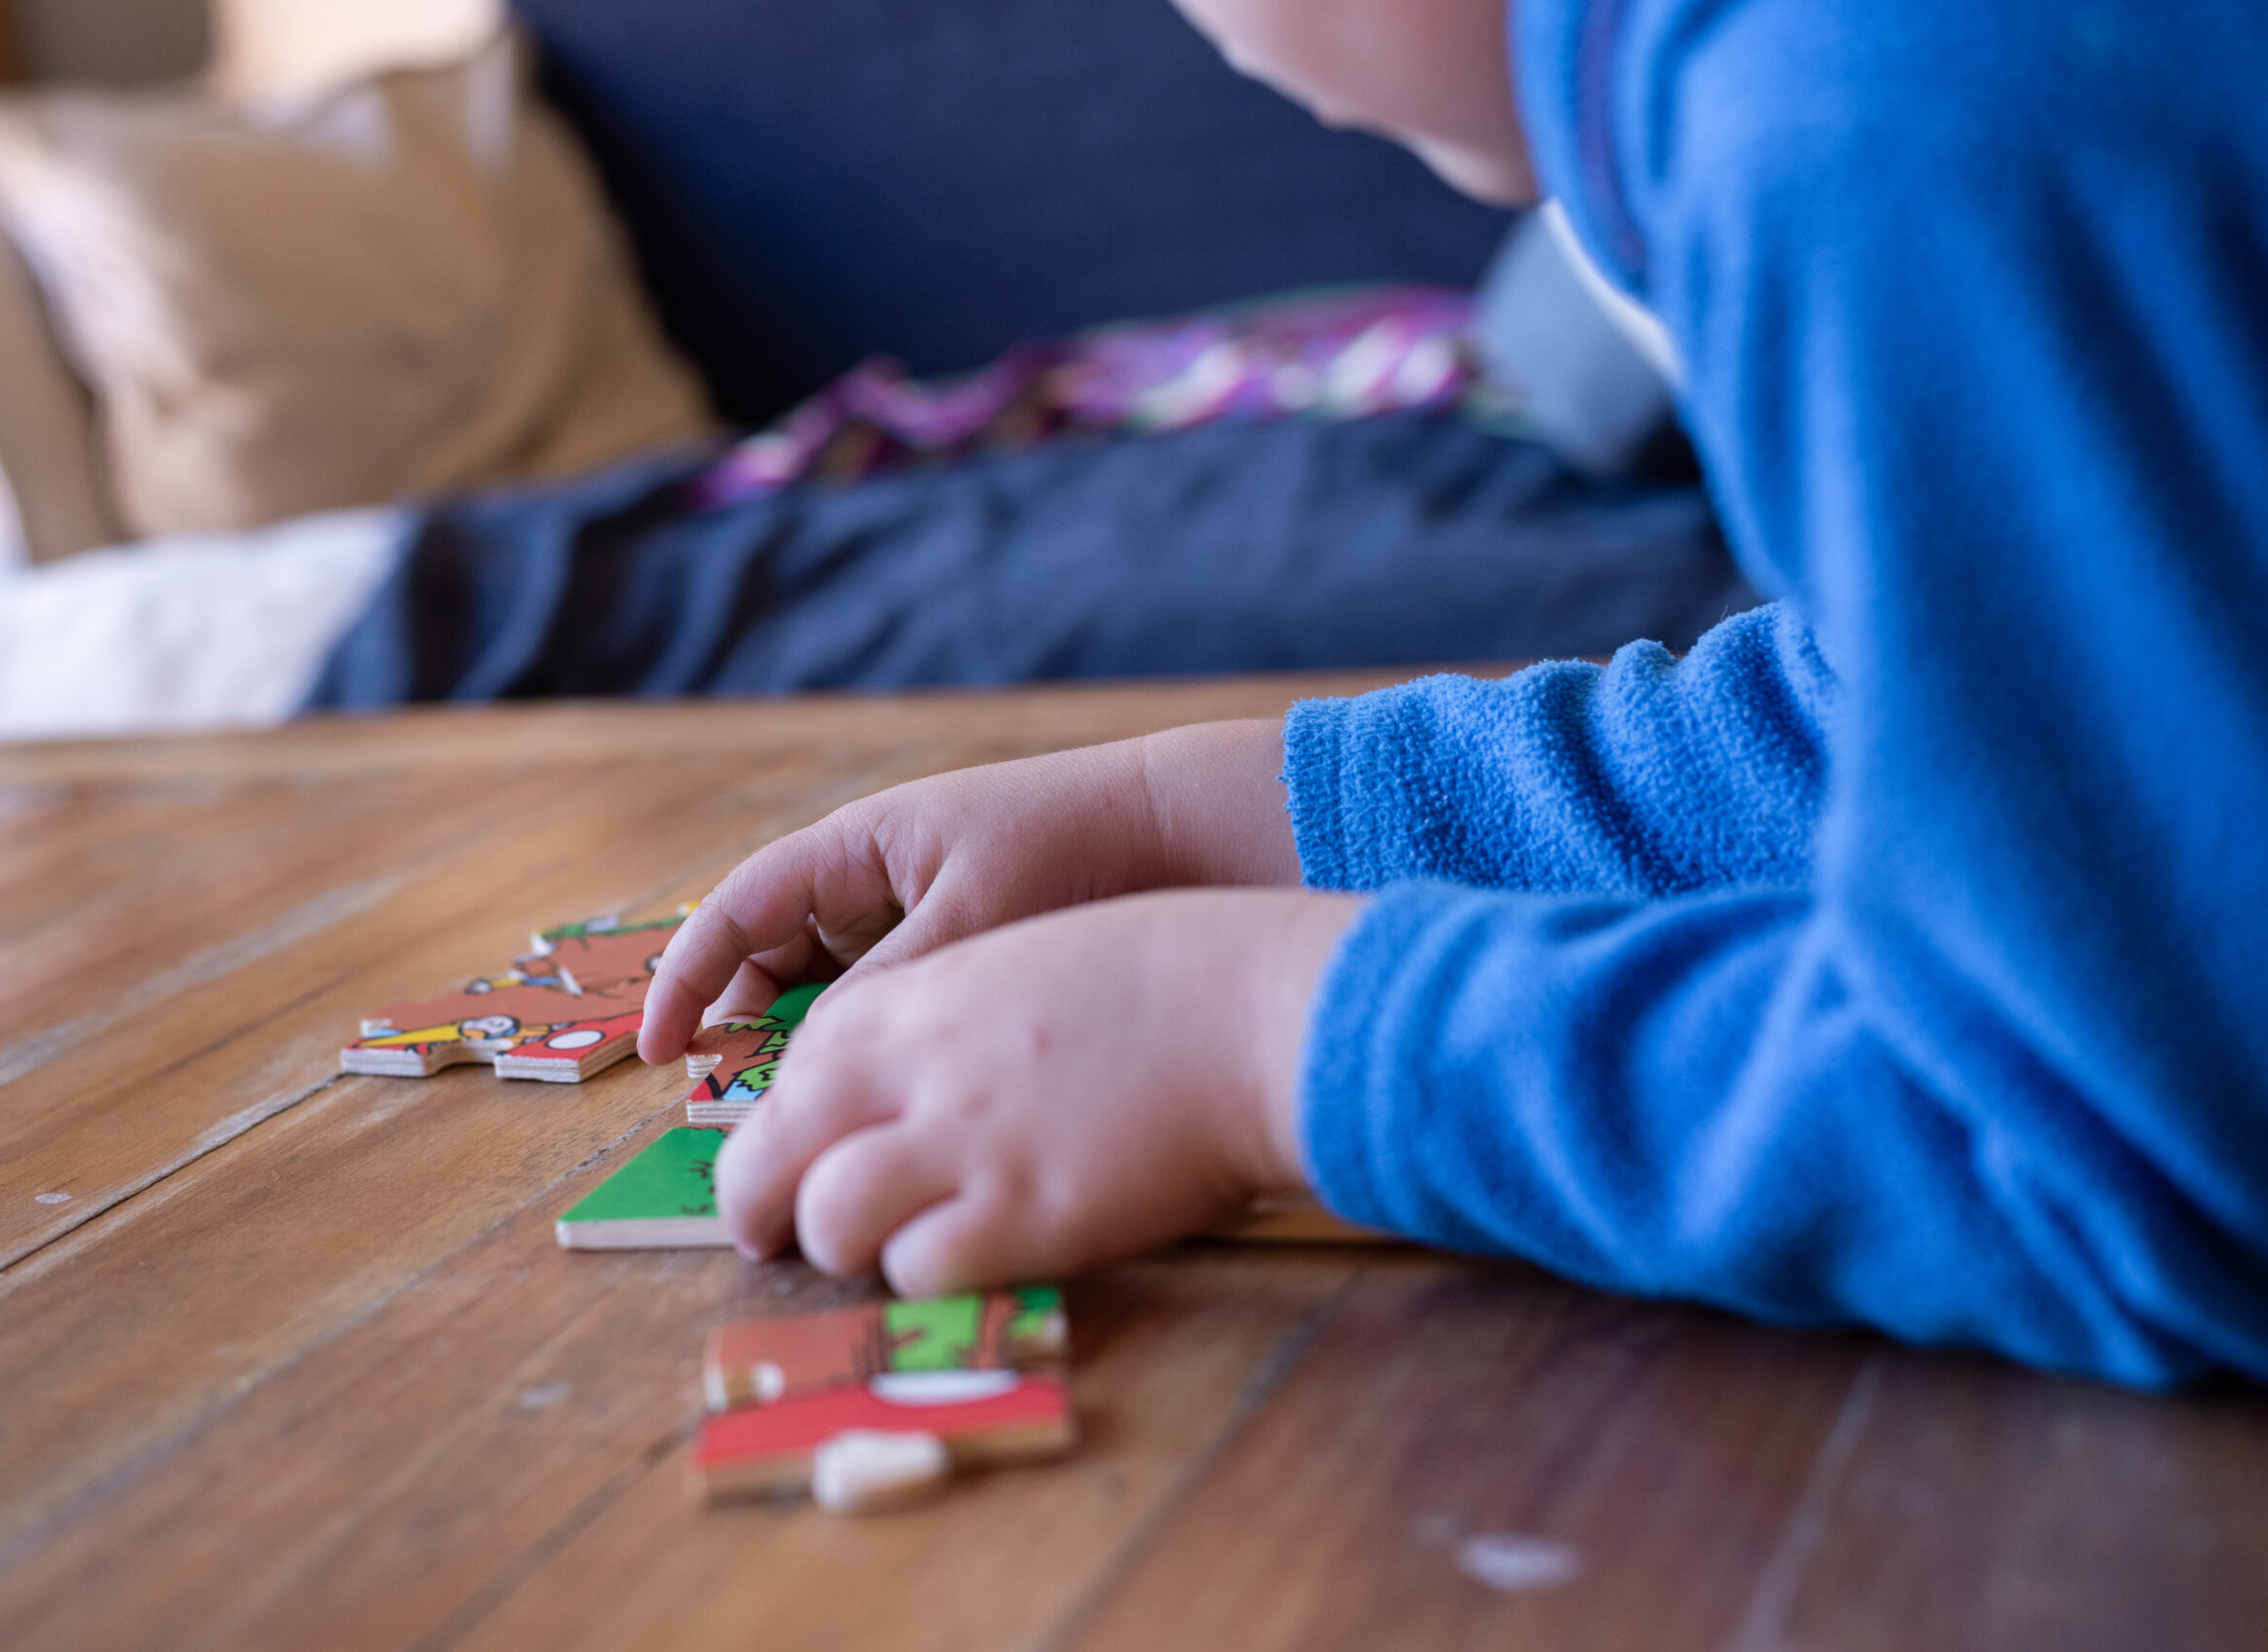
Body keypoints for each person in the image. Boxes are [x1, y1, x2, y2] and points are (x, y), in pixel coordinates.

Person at [639, 0, 2268, 1388]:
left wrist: (1266, 1034)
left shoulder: (1871, 120)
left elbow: (2143, 1154)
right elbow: (2005, 722)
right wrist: (1202, 818)